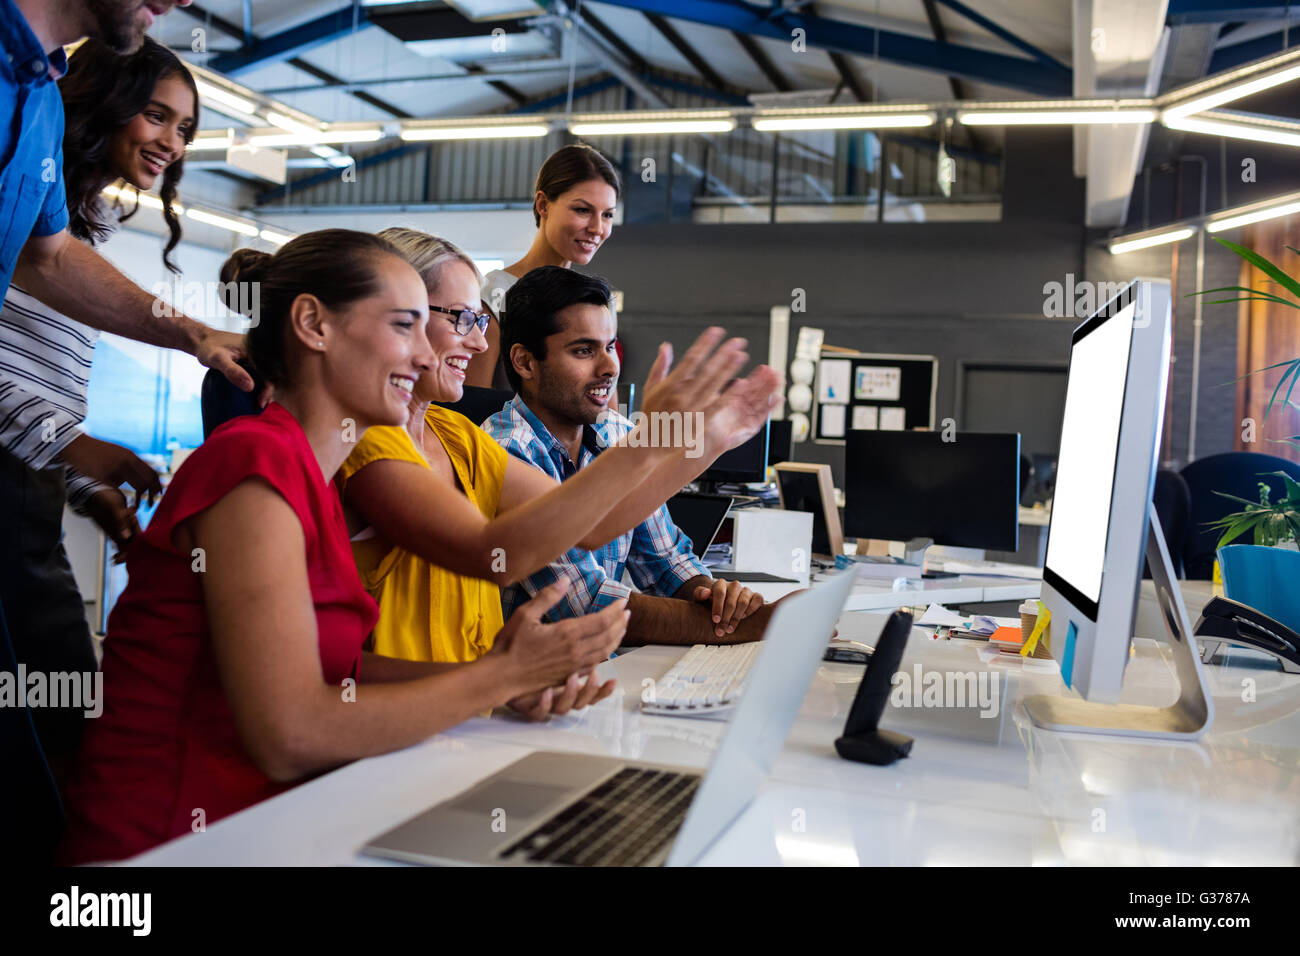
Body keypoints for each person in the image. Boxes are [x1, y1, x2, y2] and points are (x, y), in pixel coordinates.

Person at [58, 230, 629, 864]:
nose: (424, 354)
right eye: (405, 326)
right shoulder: (254, 466)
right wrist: (495, 677)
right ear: (314, 325)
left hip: (268, 830)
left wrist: (494, 685)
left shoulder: (312, 477)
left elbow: (335, 672)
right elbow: (291, 733)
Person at [0, 37, 196, 777]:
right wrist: (77, 451)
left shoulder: (83, 229)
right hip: (13, 491)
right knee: (59, 736)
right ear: (106, 101)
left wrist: (85, 483)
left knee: (62, 717)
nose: (172, 144)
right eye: (157, 116)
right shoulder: (22, 216)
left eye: (185, 130)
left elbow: (35, 383)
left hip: (32, 488)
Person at [484, 266, 782, 645]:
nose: (609, 367)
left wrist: (716, 599)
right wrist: (749, 627)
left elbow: (665, 561)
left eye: (609, 347)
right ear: (525, 362)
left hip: (599, 677)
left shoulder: (617, 432)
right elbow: (583, 607)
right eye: (583, 350)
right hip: (524, 691)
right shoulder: (505, 448)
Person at [468, 144, 620, 389]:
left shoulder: (597, 303)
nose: (597, 228)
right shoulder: (493, 296)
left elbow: (605, 415)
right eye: (582, 210)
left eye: (608, 215)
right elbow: (471, 410)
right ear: (543, 205)